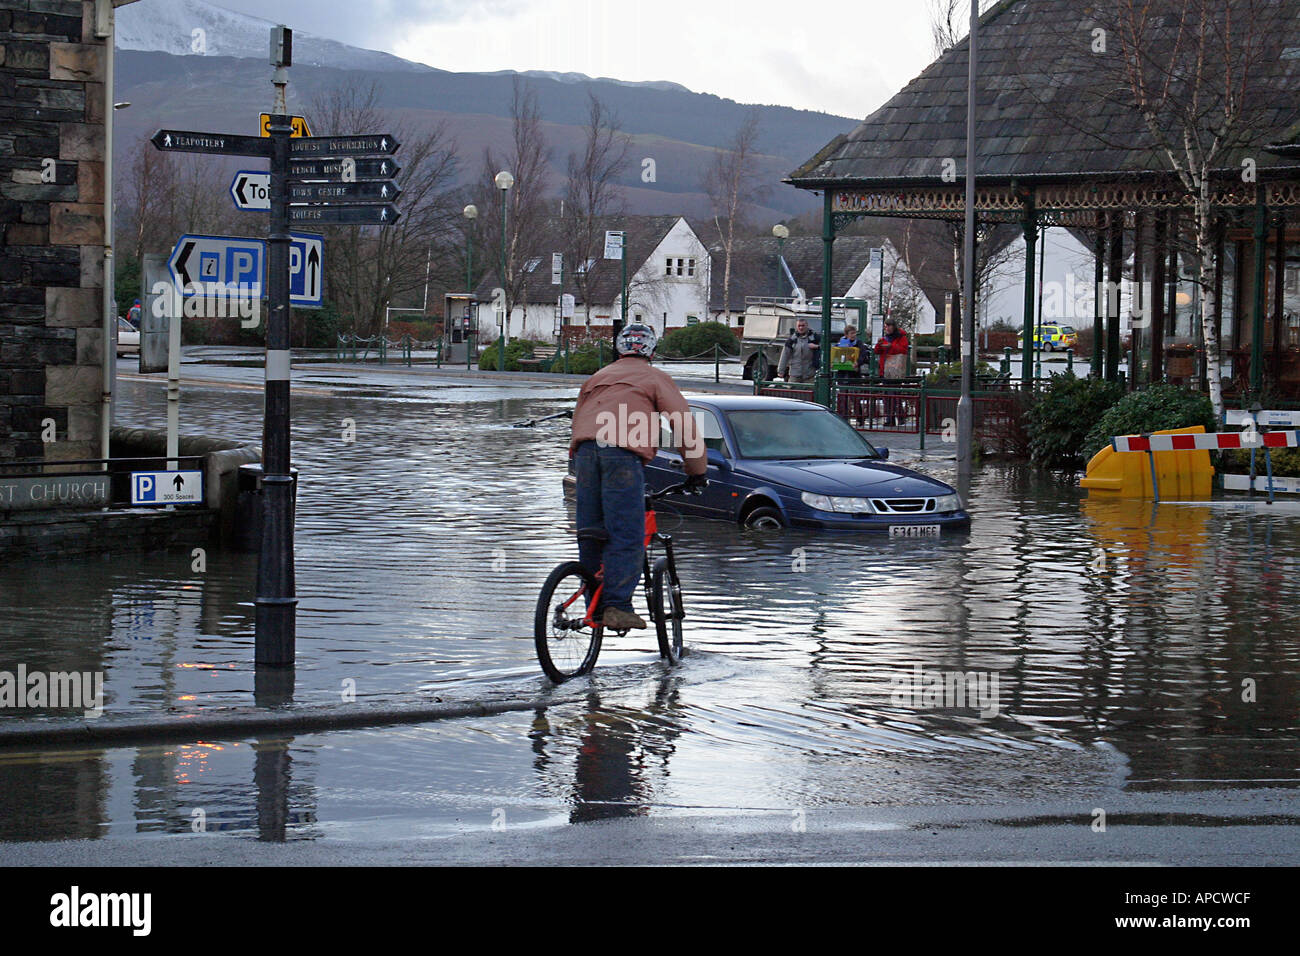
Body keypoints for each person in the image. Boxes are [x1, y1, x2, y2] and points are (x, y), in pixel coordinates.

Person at [569, 323, 707, 631]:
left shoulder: (597, 377)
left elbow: (579, 418)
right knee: (627, 532)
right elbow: (683, 426)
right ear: (652, 352)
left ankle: (594, 603)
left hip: (585, 453)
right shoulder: (655, 378)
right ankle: (617, 606)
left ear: (617, 350)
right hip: (621, 453)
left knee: (591, 531)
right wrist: (696, 470)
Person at [874, 319, 910, 425]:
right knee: (887, 395)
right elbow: (877, 351)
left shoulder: (901, 337)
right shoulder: (884, 339)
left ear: (893, 326)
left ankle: (897, 417)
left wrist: (891, 346)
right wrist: (879, 345)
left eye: (889, 326)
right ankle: (891, 418)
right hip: (885, 370)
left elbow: (903, 350)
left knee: (894, 394)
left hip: (895, 369)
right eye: (886, 326)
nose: (887, 328)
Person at [777, 317, 820, 384]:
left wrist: (817, 346)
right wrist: (780, 371)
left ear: (807, 326)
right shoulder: (792, 340)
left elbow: (825, 348)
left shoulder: (815, 338)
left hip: (810, 374)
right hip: (795, 374)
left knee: (810, 393)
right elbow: (785, 355)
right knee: (793, 393)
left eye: (803, 325)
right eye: (799, 326)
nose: (801, 328)